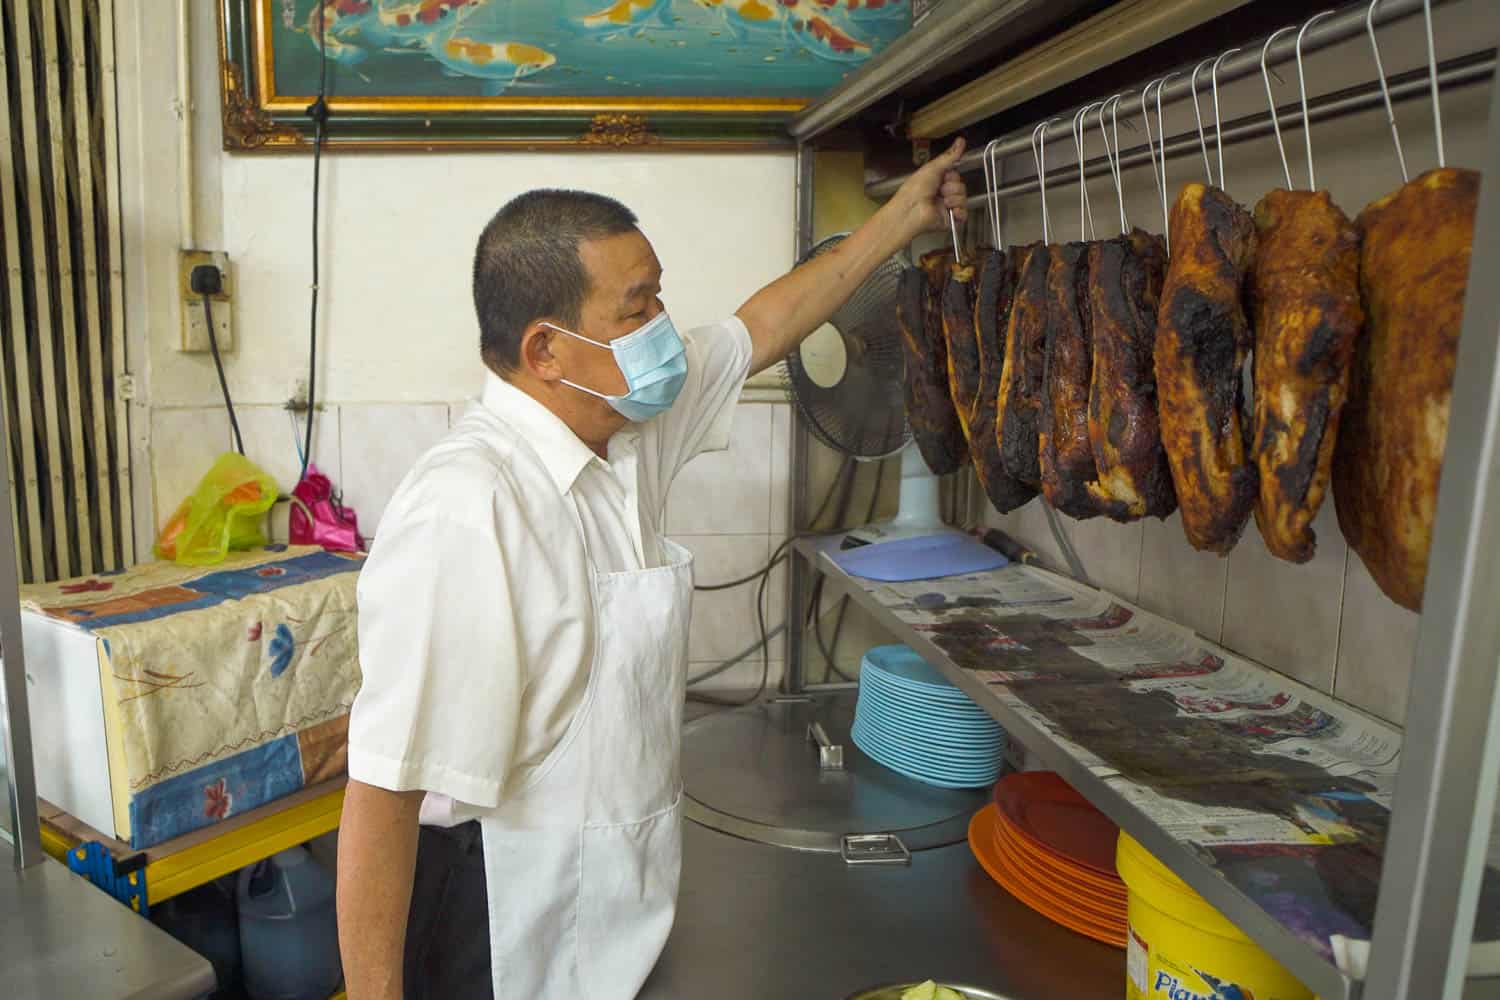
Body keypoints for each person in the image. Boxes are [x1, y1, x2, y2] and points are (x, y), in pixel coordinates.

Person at [338, 140, 970, 1000]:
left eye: (659, 297)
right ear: (545, 350)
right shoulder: (468, 508)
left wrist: (900, 220)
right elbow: (383, 792)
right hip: (498, 932)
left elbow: (764, 326)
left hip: (615, 920)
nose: (664, 329)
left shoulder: (626, 430)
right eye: (636, 311)